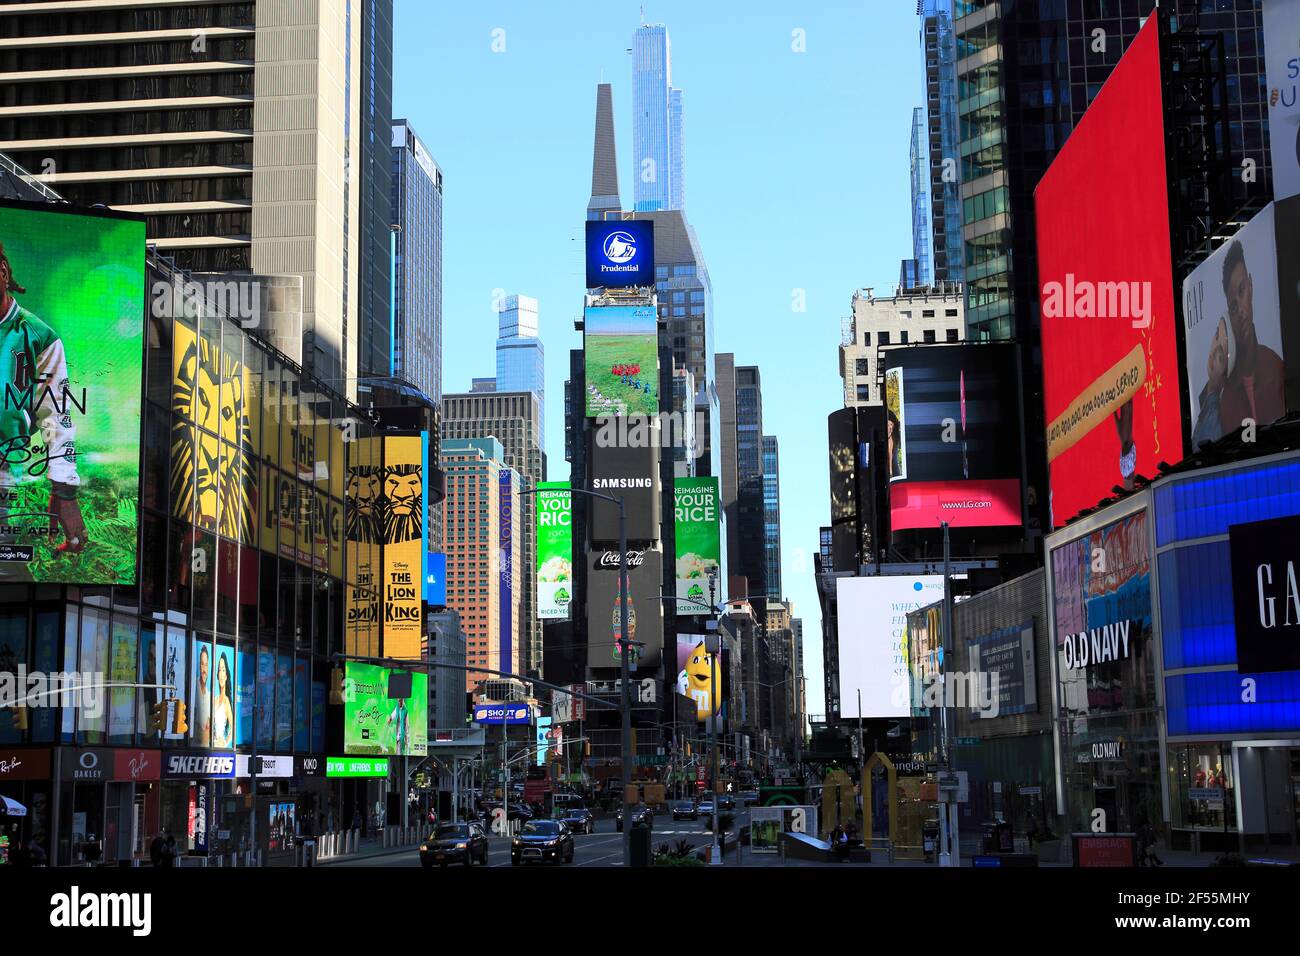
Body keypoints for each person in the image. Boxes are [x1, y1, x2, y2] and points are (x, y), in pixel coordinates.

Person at [0, 240, 87, 579]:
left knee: (9, 574)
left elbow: (55, 415)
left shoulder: (37, 335)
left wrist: (64, 491)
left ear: (4, 273)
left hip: (6, 475)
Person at [1218, 238, 1285, 435]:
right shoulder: (1227, 399)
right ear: (1229, 313)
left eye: (1242, 291)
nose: (1239, 309)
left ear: (1251, 286)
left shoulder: (1275, 366)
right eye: (1232, 304)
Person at [212, 650, 234, 748]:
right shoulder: (215, 699)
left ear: (226, 676)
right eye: (219, 670)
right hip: (210, 745)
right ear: (217, 674)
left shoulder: (226, 701)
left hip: (219, 748)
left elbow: (233, 728)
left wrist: (225, 743)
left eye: (223, 670)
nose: (221, 674)